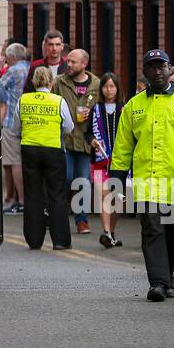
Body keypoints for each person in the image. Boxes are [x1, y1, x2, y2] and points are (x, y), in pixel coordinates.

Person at [111, 48, 174, 302]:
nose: (156, 71)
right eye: (151, 67)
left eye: (161, 66)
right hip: (146, 182)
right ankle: (158, 283)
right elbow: (122, 146)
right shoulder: (133, 106)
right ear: (144, 72)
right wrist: (116, 178)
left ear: (170, 69)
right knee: (152, 229)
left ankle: (168, 275)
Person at [18, 66, 75, 251]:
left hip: (29, 149)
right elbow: (69, 127)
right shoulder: (58, 101)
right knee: (56, 195)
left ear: (34, 82)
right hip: (53, 150)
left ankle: (34, 241)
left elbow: (15, 125)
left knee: (33, 195)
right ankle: (60, 241)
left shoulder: (24, 99)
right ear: (51, 82)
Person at [52, 49, 100, 235]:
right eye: (68, 61)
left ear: (83, 64)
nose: (68, 64)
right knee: (66, 178)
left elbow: (103, 106)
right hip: (65, 140)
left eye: (73, 62)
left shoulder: (96, 84)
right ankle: (59, 217)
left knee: (82, 182)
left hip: (86, 141)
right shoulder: (59, 82)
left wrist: (93, 113)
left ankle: (82, 221)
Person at [89, 72, 124, 248]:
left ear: (117, 88)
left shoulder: (124, 108)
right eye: (105, 86)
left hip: (119, 161)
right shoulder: (95, 109)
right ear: (101, 89)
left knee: (117, 200)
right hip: (99, 160)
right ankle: (106, 232)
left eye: (112, 86)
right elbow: (88, 132)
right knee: (103, 196)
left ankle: (112, 232)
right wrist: (92, 140)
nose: (109, 90)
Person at [0, 42, 29, 213]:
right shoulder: (29, 69)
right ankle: (20, 198)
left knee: (13, 161)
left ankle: (19, 200)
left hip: (10, 120)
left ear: (12, 57)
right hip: (28, 120)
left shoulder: (12, 71)